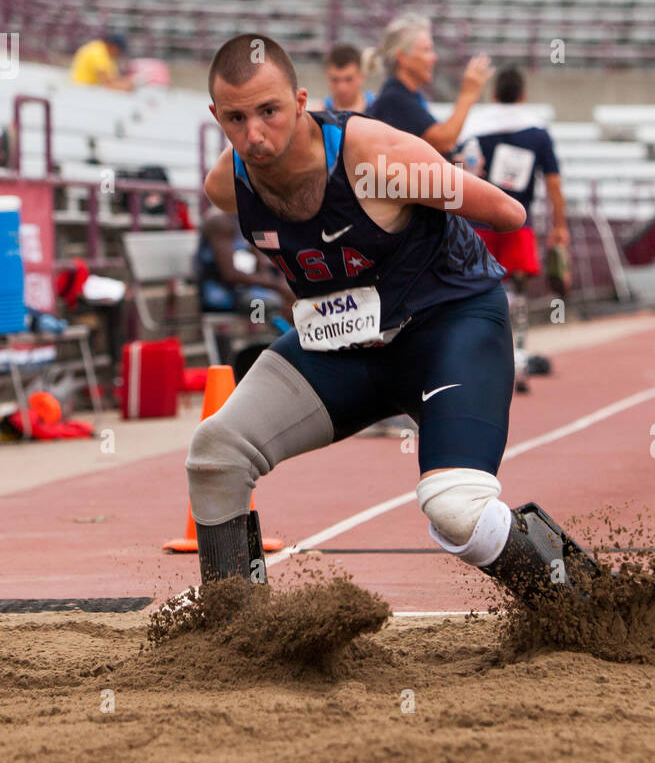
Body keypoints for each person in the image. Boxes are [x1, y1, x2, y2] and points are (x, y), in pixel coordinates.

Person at [185, 32, 599, 606]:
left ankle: (589, 602)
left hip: (446, 329)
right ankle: (237, 625)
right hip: (344, 346)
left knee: (455, 510)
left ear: (301, 102)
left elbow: (507, 212)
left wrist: (422, 184)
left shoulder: (374, 156)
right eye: (236, 118)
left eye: (269, 111)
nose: (254, 134)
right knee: (215, 453)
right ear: (217, 117)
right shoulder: (226, 186)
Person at [463, 66, 568, 389]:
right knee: (518, 291)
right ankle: (517, 358)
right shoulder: (537, 132)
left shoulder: (474, 129)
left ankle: (479, 359)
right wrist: (559, 226)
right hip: (517, 223)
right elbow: (553, 184)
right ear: (523, 95)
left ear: (494, 94)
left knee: (476, 294)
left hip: (478, 224)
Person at [369, 13, 492, 153]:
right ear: (402, 57)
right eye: (426, 50)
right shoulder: (395, 99)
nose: (434, 58)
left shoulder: (408, 95)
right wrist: (468, 95)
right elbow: (443, 141)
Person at [321, 43, 376, 114]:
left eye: (348, 79)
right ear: (327, 78)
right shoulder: (319, 114)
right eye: (335, 80)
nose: (342, 87)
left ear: (361, 77)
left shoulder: (380, 108)